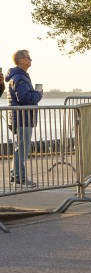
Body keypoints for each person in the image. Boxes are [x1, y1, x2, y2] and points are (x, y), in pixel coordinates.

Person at [6, 49, 42, 186]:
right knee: (22, 148)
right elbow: (25, 98)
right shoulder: (20, 78)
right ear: (21, 60)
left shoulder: (19, 76)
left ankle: (15, 175)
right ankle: (20, 177)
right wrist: (38, 94)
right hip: (22, 118)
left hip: (18, 118)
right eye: (29, 58)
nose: (31, 60)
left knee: (18, 147)